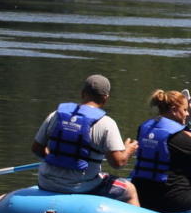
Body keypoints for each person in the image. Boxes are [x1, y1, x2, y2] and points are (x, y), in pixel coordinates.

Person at [31, 74, 139, 205]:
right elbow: (117, 163)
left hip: (46, 182)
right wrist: (128, 150)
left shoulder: (56, 115)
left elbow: (36, 149)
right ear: (105, 98)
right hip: (82, 186)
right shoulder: (107, 123)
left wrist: (58, 159)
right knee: (130, 190)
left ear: (82, 93)